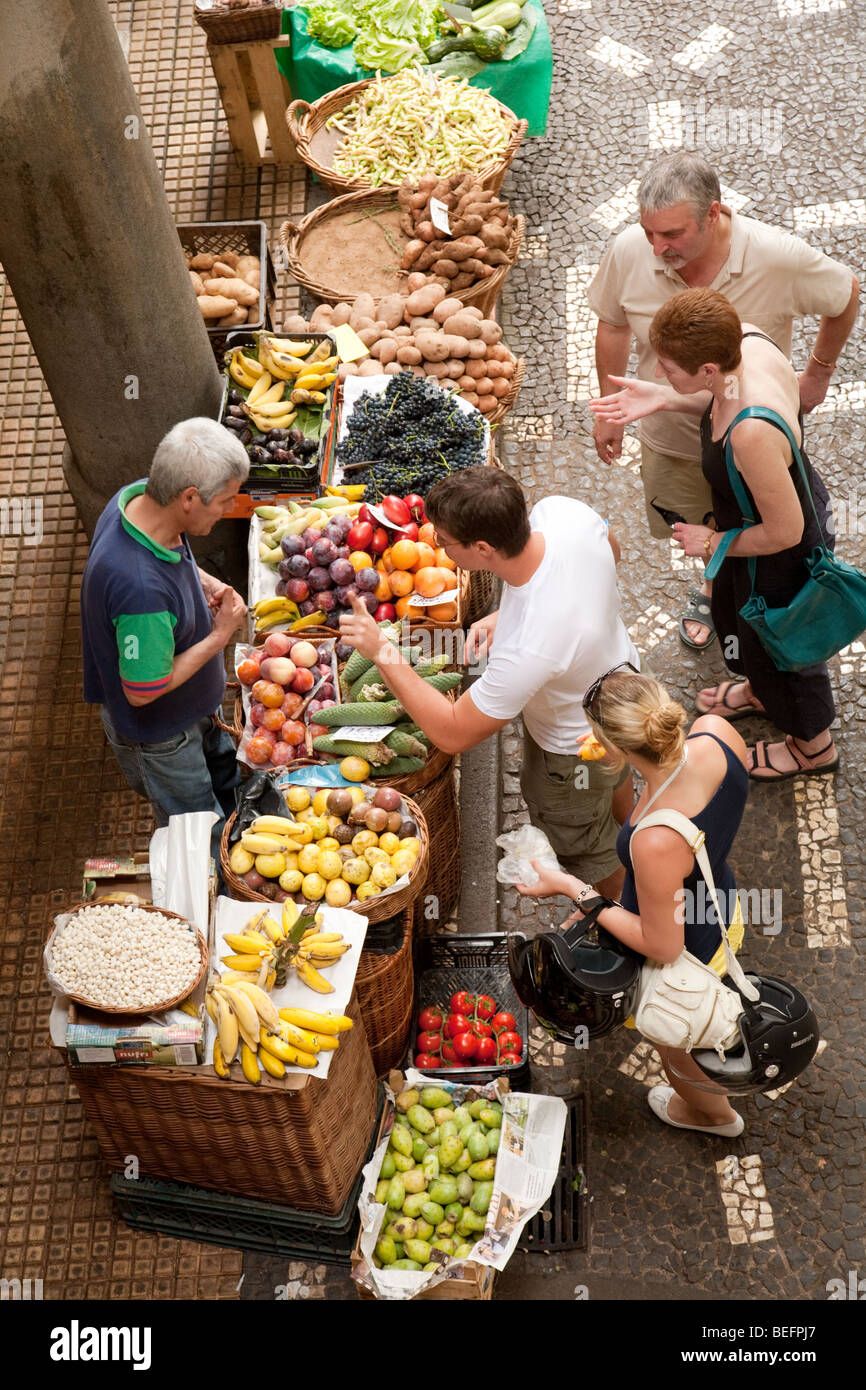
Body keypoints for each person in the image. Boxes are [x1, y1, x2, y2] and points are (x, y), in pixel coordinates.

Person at [588, 152, 859, 650]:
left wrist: (817, 374)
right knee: (695, 521)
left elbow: (846, 296)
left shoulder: (777, 258)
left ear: (714, 213)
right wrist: (612, 407)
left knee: (756, 533)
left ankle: (753, 621)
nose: (657, 246)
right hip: (669, 433)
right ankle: (716, 588)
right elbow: (613, 322)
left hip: (746, 448)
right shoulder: (631, 250)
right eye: (650, 233)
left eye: (672, 235)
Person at [338, 466, 638, 899]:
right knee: (618, 775)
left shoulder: (527, 649)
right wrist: (510, 614)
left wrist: (382, 652)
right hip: (625, 687)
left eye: (444, 542)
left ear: (481, 548)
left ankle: (626, 911)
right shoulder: (562, 513)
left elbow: (452, 731)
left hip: (576, 747)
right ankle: (634, 836)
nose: (439, 547)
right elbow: (611, 550)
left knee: (591, 848)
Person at [591, 287, 838, 781]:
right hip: (754, 526)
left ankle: (814, 747)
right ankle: (763, 694)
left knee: (782, 646)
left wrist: (712, 543)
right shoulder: (745, 341)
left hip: (778, 550)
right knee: (742, 626)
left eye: (670, 369)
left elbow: (786, 531)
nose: (659, 372)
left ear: (707, 370)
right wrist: (664, 397)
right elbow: (725, 395)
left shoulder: (751, 435)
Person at [516, 667, 750, 1137]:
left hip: (691, 951)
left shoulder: (655, 841)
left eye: (599, 736)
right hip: (721, 902)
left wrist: (572, 889)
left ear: (619, 750)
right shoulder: (716, 732)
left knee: (679, 1051)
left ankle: (717, 1117)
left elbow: (662, 947)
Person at [80, 418, 249, 853]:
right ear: (190, 498)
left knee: (229, 791)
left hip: (195, 712)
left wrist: (205, 583)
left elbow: (174, 556)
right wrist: (219, 637)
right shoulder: (139, 589)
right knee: (199, 835)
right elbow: (142, 689)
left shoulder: (137, 498)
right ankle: (219, 897)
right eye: (225, 501)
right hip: (164, 737)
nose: (229, 510)